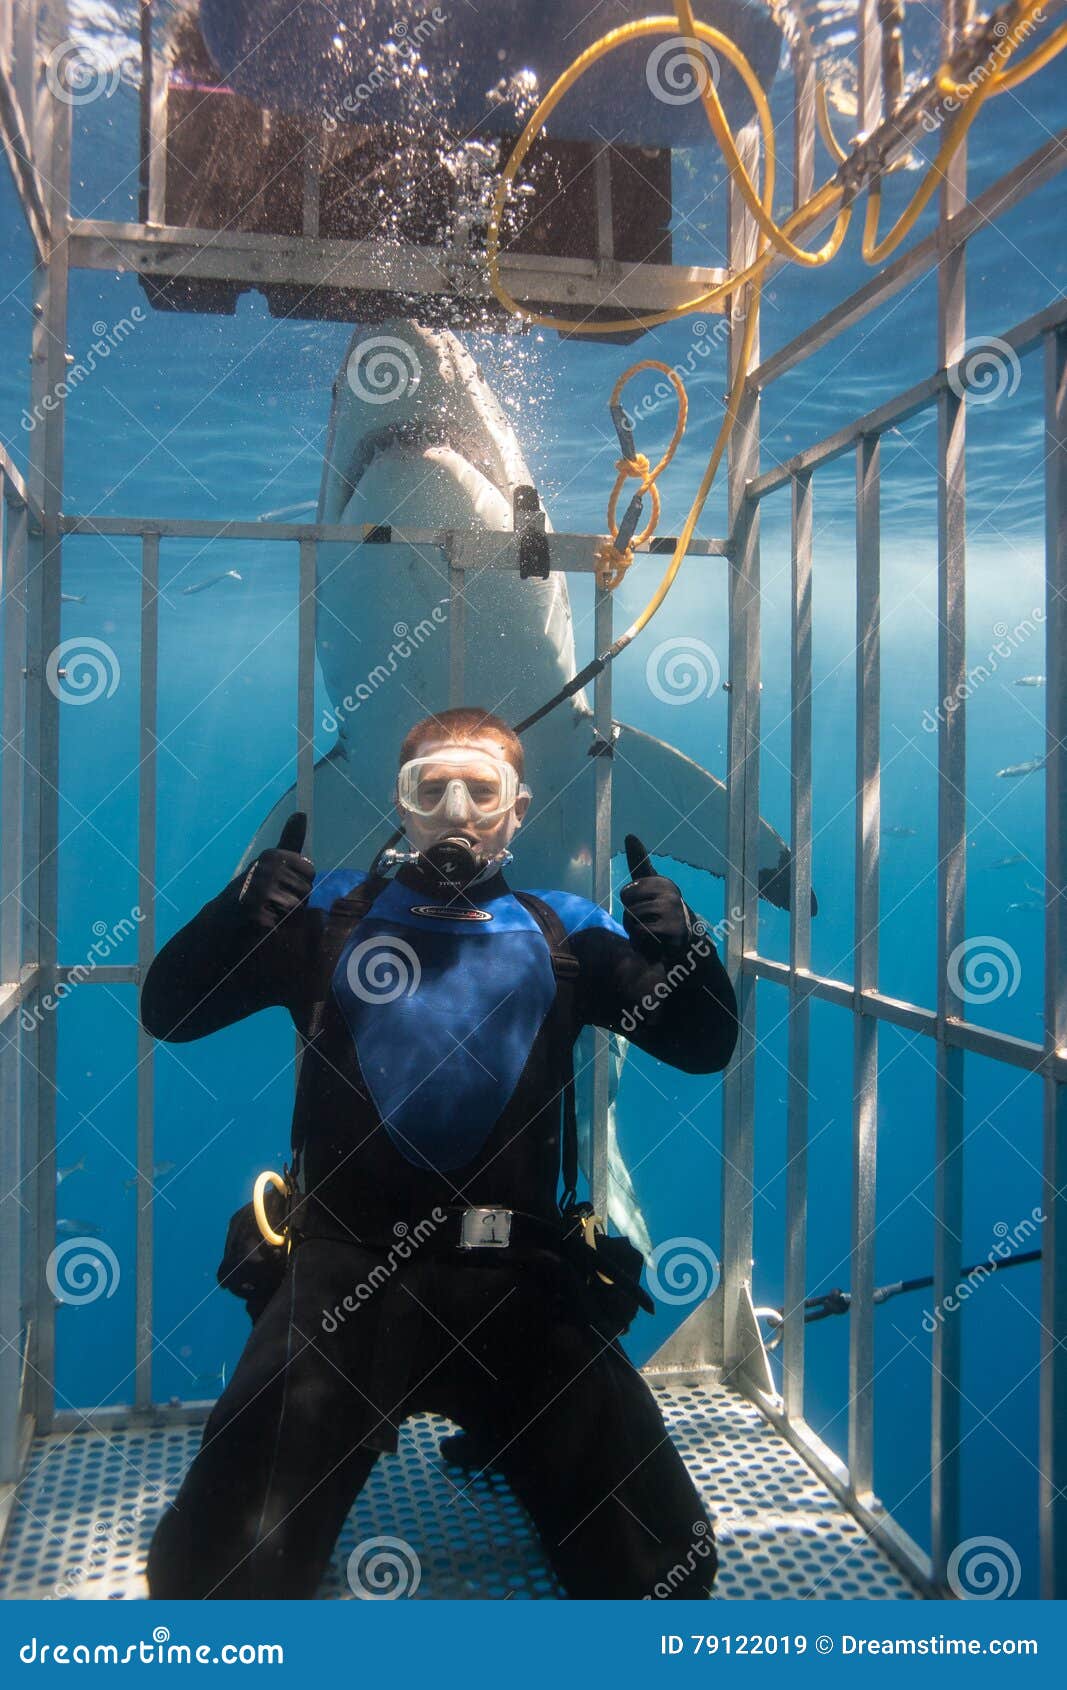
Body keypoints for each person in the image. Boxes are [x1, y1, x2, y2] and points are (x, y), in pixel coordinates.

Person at [140, 705, 738, 1600]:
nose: (457, 811)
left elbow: (701, 1046)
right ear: (401, 803)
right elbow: (172, 1014)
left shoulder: (563, 933)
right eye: (432, 789)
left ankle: (512, 1429)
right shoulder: (328, 917)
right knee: (207, 1582)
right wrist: (234, 917)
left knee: (664, 1575)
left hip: (518, 1280)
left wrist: (689, 952)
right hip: (344, 1274)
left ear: (518, 808)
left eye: (481, 790)